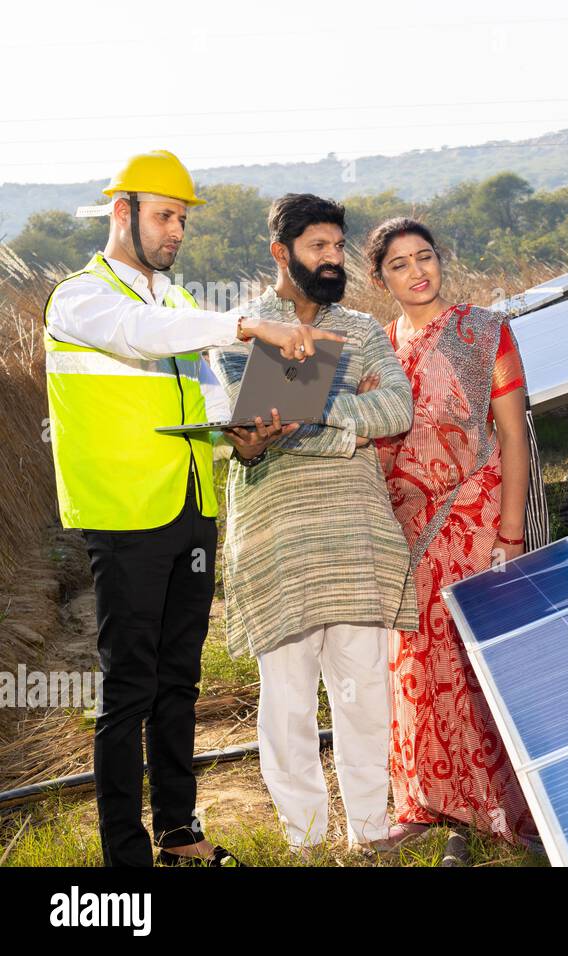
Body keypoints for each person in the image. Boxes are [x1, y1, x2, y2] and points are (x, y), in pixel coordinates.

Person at [43, 149, 343, 867]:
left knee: (179, 680)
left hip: (188, 508)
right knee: (129, 687)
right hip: (123, 514)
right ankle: (127, 856)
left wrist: (248, 434)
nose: (176, 231)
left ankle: (178, 834)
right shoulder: (80, 299)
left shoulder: (175, 303)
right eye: (164, 215)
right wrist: (248, 326)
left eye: (181, 219)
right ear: (124, 213)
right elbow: (139, 336)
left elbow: (205, 398)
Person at [211, 194, 417, 857]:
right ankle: (303, 840)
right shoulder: (240, 331)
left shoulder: (361, 329)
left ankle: (372, 830)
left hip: (355, 537)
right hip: (276, 537)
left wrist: (322, 421)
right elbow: (239, 433)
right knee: (288, 704)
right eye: (317, 248)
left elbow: (395, 409)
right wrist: (254, 443)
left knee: (363, 697)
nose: (332, 260)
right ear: (281, 252)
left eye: (337, 247)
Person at [361, 217, 538, 856]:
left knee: (471, 659)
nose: (418, 272)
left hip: (477, 514)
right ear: (381, 279)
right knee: (415, 660)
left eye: (425, 257)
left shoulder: (482, 330)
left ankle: (493, 806)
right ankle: (428, 800)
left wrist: (512, 533)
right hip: (405, 531)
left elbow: (514, 434)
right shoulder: (379, 348)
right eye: (401, 264)